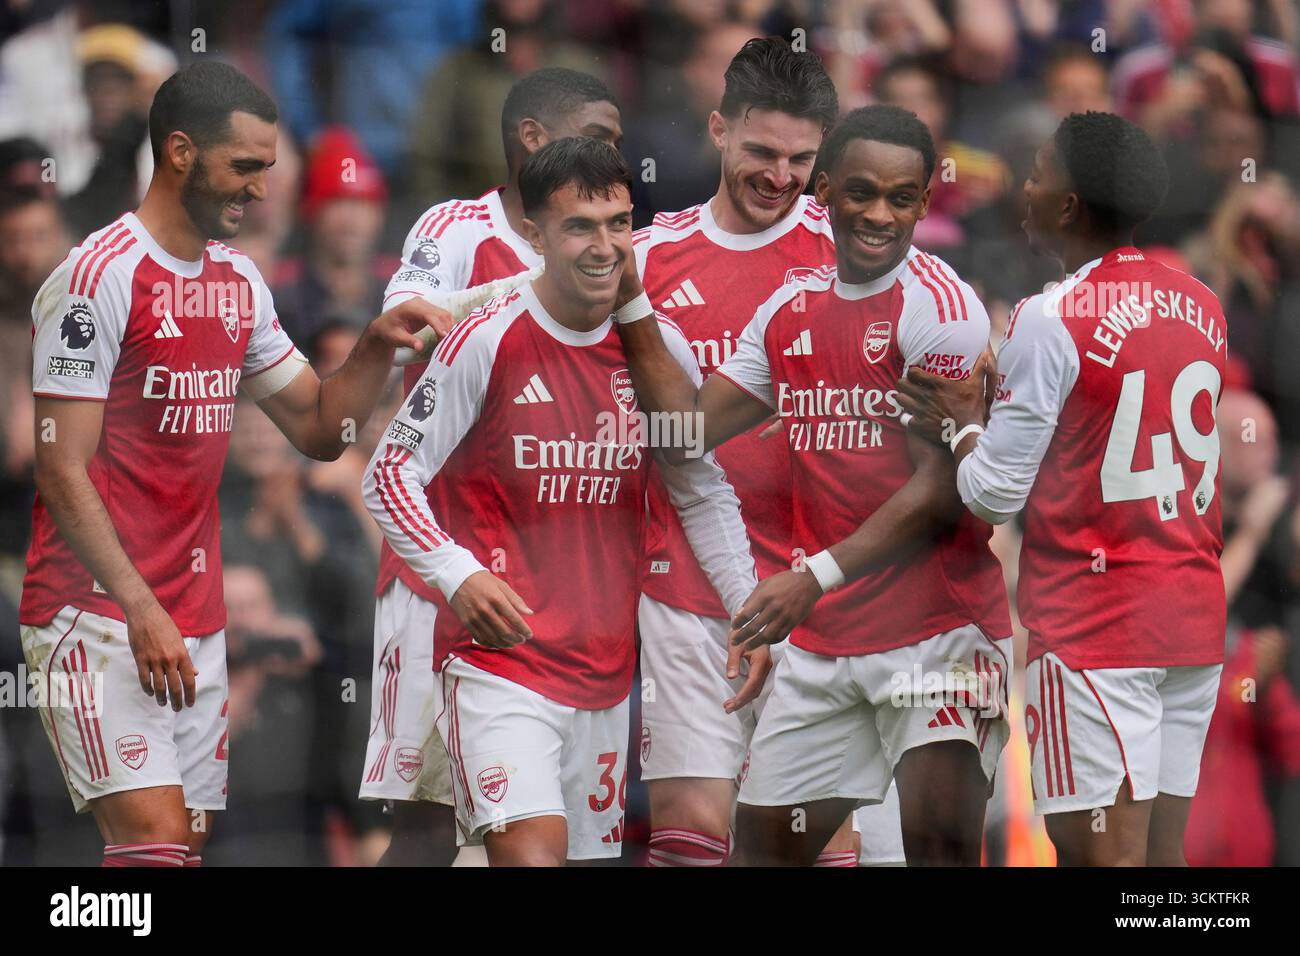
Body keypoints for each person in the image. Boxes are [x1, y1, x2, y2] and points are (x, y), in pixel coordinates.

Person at [17, 61, 448, 869]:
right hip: (97, 611)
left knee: (177, 855)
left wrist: (377, 348)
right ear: (180, 152)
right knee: (153, 843)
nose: (259, 190)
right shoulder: (96, 277)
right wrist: (141, 609)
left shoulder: (240, 282)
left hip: (196, 615)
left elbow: (323, 429)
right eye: (244, 167)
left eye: (268, 170)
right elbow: (60, 470)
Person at [611, 105, 1014, 866]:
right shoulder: (787, 311)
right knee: (762, 854)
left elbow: (942, 492)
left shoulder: (943, 310)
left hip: (939, 637)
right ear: (823, 192)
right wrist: (635, 307)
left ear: (926, 203)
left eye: (902, 198)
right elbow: (689, 431)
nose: (880, 214)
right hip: (826, 647)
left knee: (936, 851)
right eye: (860, 192)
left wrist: (811, 576)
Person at [362, 137, 755, 866]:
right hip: (499, 667)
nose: (605, 246)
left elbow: (700, 492)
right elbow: (387, 475)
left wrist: (749, 611)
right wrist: (459, 574)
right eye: (580, 227)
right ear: (536, 235)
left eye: (617, 223)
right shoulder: (484, 340)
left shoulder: (657, 350)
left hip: (605, 679)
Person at [896, 111, 1228, 866]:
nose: (1027, 185)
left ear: (1071, 205)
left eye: (1040, 172)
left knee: (1101, 861)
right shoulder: (1203, 301)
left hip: (1096, 627)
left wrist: (961, 423)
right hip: (1191, 617)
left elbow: (992, 497)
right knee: (1164, 869)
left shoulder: (1053, 317)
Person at [359, 66, 623, 867]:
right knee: (426, 821)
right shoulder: (457, 228)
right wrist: (547, 281)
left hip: (565, 584)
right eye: (601, 138)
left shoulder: (611, 246)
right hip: (441, 568)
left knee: (547, 839)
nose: (618, 154)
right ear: (534, 140)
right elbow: (411, 323)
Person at [632, 36, 868, 868]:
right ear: (718, 130)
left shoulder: (851, 257)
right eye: (762, 151)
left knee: (819, 844)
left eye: (802, 159)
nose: (780, 175)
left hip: (819, 592)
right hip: (687, 586)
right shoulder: (648, 259)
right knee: (691, 837)